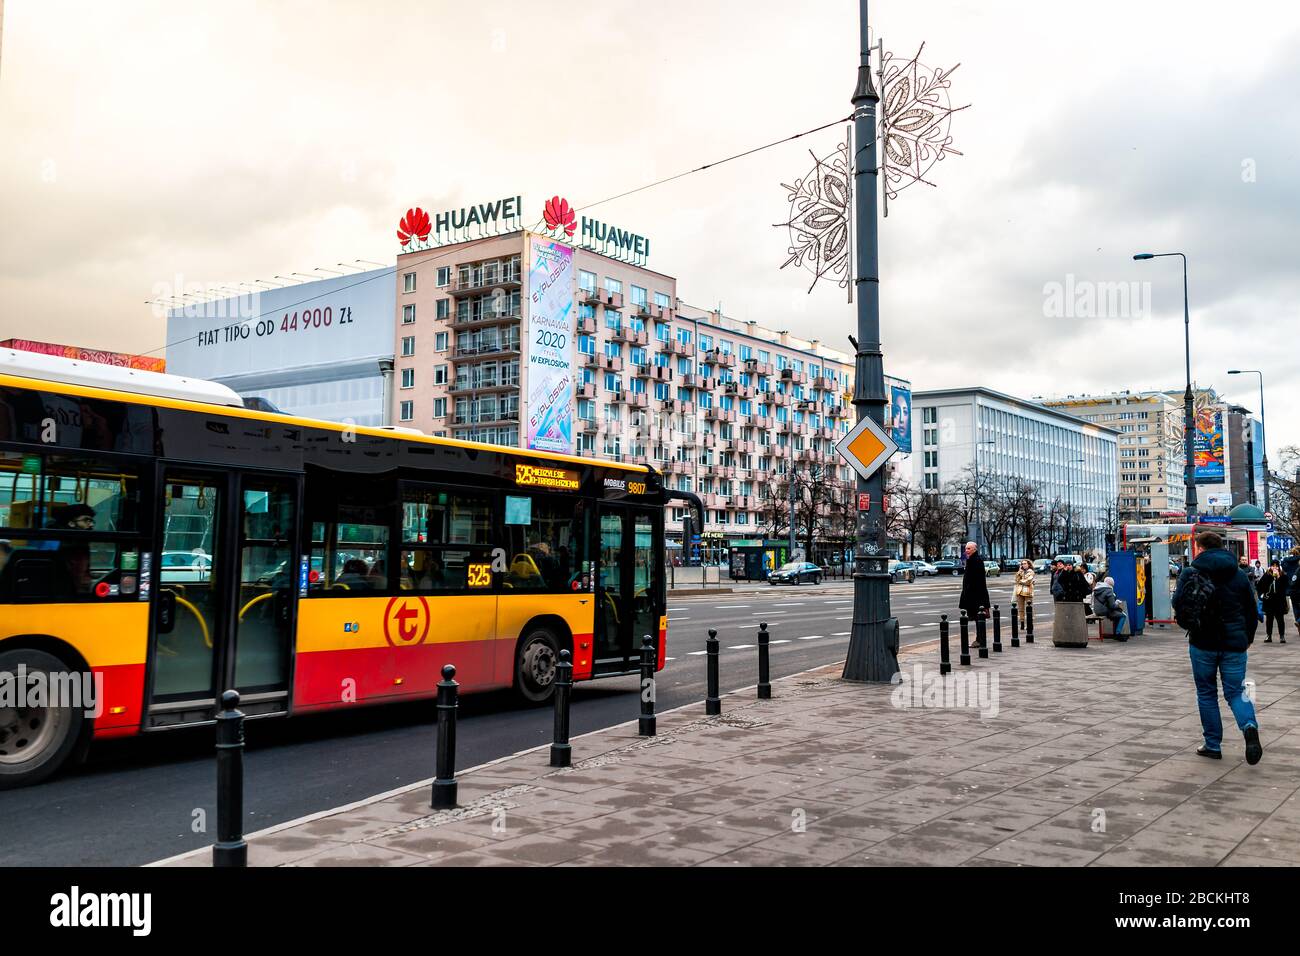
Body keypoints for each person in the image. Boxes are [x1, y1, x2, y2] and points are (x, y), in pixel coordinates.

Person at [1173, 531, 1263, 764]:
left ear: (1200, 548)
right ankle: (1249, 726)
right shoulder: (1239, 574)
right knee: (1235, 691)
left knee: (1206, 692)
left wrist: (1190, 624)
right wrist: (1248, 637)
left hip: (1203, 641)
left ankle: (1212, 745)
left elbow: (1179, 604)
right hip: (1234, 643)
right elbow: (1251, 610)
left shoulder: (1191, 572)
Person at [958, 541, 990, 642]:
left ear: (974, 549)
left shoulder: (975, 560)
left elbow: (976, 581)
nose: (966, 551)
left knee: (979, 619)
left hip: (976, 596)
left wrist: (967, 593)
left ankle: (980, 640)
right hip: (975, 595)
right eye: (966, 548)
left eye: (969, 549)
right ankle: (980, 639)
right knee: (978, 619)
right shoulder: (972, 559)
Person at [1256, 562, 1289, 644]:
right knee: (1269, 620)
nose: (1274, 567)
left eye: (1276, 566)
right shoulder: (1266, 575)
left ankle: (1282, 636)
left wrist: (1278, 577)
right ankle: (1268, 635)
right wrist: (1262, 595)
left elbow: (1286, 586)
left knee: (1280, 619)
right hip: (1269, 601)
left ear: (1279, 567)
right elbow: (1259, 586)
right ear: (1270, 567)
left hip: (1279, 601)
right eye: (1273, 566)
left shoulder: (1283, 575)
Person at [1283, 547, 1300, 641]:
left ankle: (1298, 625)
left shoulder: (1286, 561)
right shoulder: (1298, 564)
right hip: (1298, 589)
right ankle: (1298, 621)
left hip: (1291, 589)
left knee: (1295, 608)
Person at [1013, 559, 1035, 629]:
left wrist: (1020, 581)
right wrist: (1019, 571)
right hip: (1019, 592)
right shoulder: (1021, 572)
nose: (1023, 565)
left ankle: (1030, 624)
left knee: (1029, 608)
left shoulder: (1031, 572)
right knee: (1020, 609)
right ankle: (1022, 624)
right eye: (1022, 564)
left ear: (1028, 564)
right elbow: (1016, 580)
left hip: (1028, 592)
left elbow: (1028, 581)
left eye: (1025, 563)